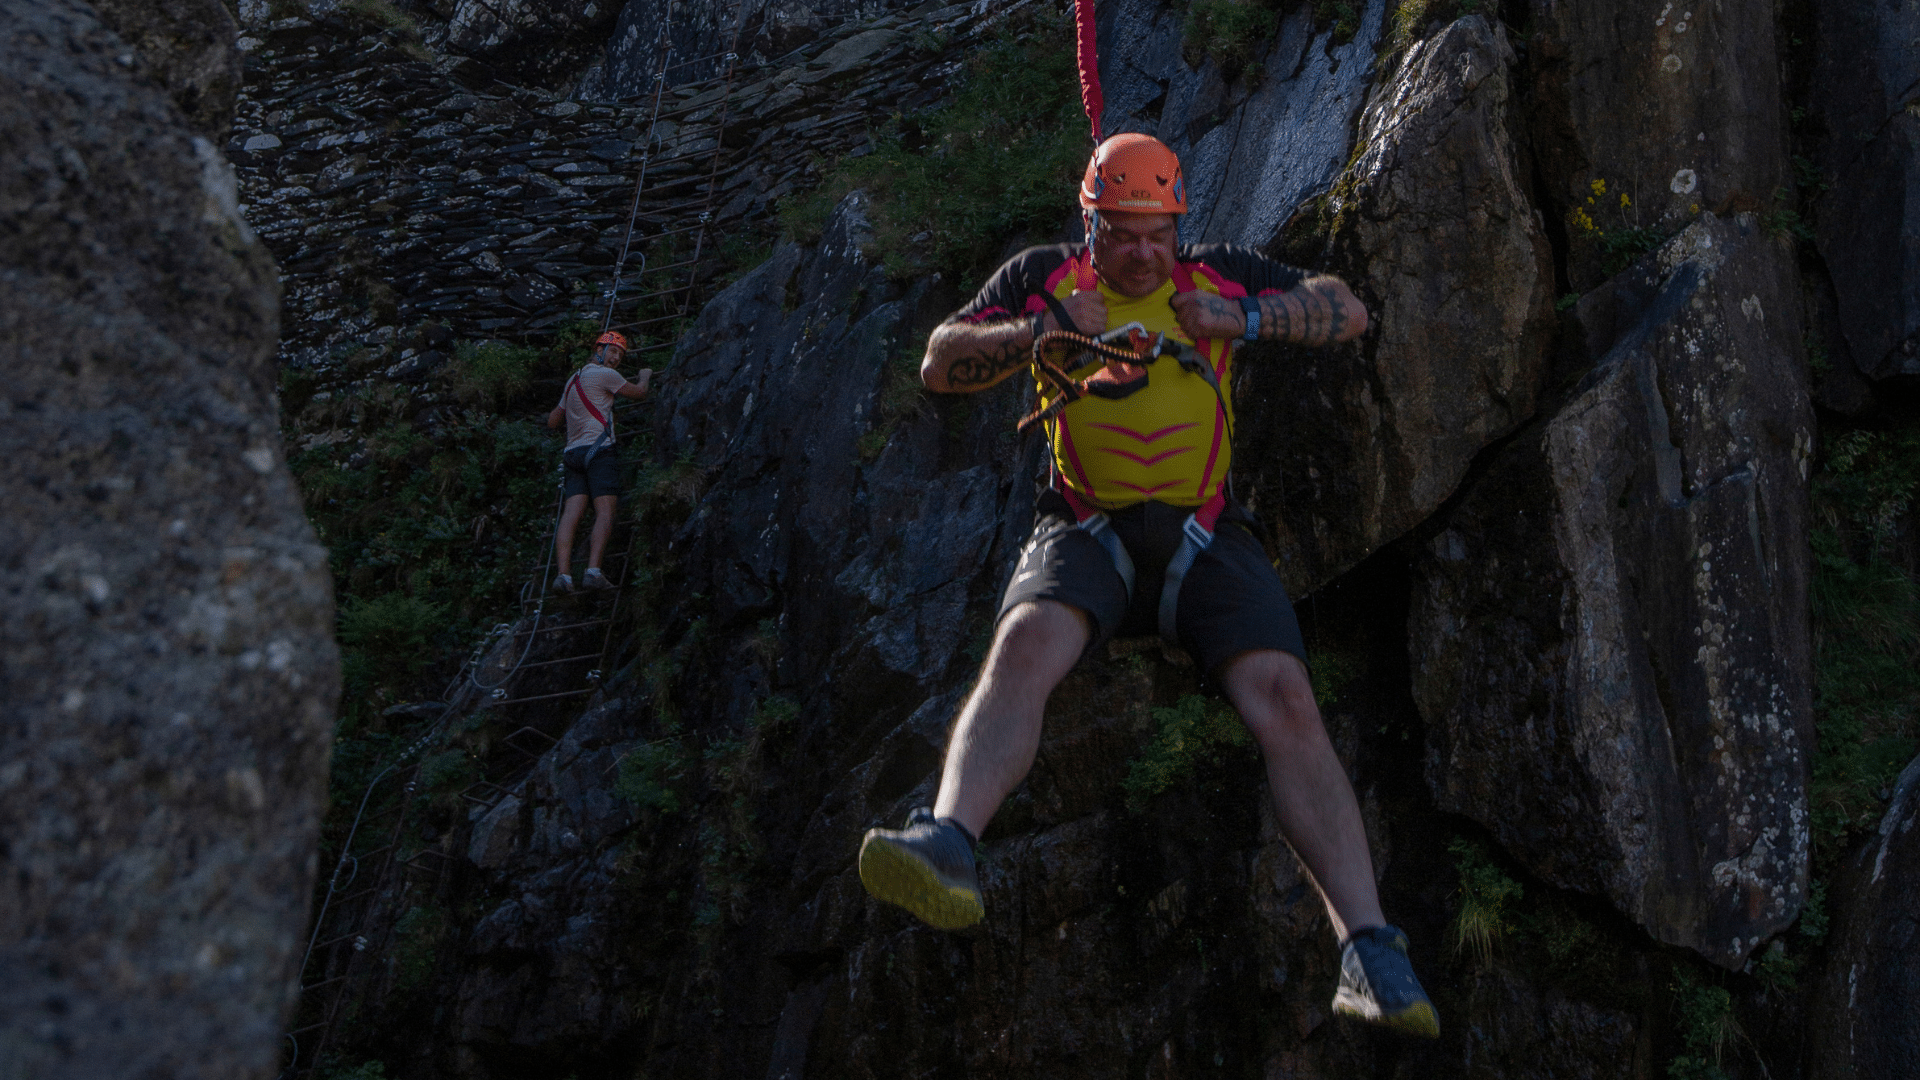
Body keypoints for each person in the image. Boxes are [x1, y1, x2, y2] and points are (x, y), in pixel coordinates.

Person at [855, 133, 1438, 1037]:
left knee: (1286, 697)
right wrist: (1049, 331)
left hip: (1207, 531)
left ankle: (1369, 949)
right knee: (1023, 646)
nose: (1141, 252)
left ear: (1178, 225)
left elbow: (1346, 308)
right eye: (1122, 233)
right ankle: (947, 840)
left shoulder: (1219, 275)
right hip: (1085, 524)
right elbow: (940, 360)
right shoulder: (1046, 281)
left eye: (1155, 233)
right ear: (1092, 224)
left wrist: (1237, 321)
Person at [546, 330, 651, 593]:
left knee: (571, 514)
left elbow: (552, 421)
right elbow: (638, 393)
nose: (616, 358)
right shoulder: (606, 374)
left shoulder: (573, 380)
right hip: (599, 450)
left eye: (620, 355)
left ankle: (564, 575)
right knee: (605, 510)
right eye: (613, 351)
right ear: (599, 349)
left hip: (573, 453)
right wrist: (646, 376)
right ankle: (593, 571)